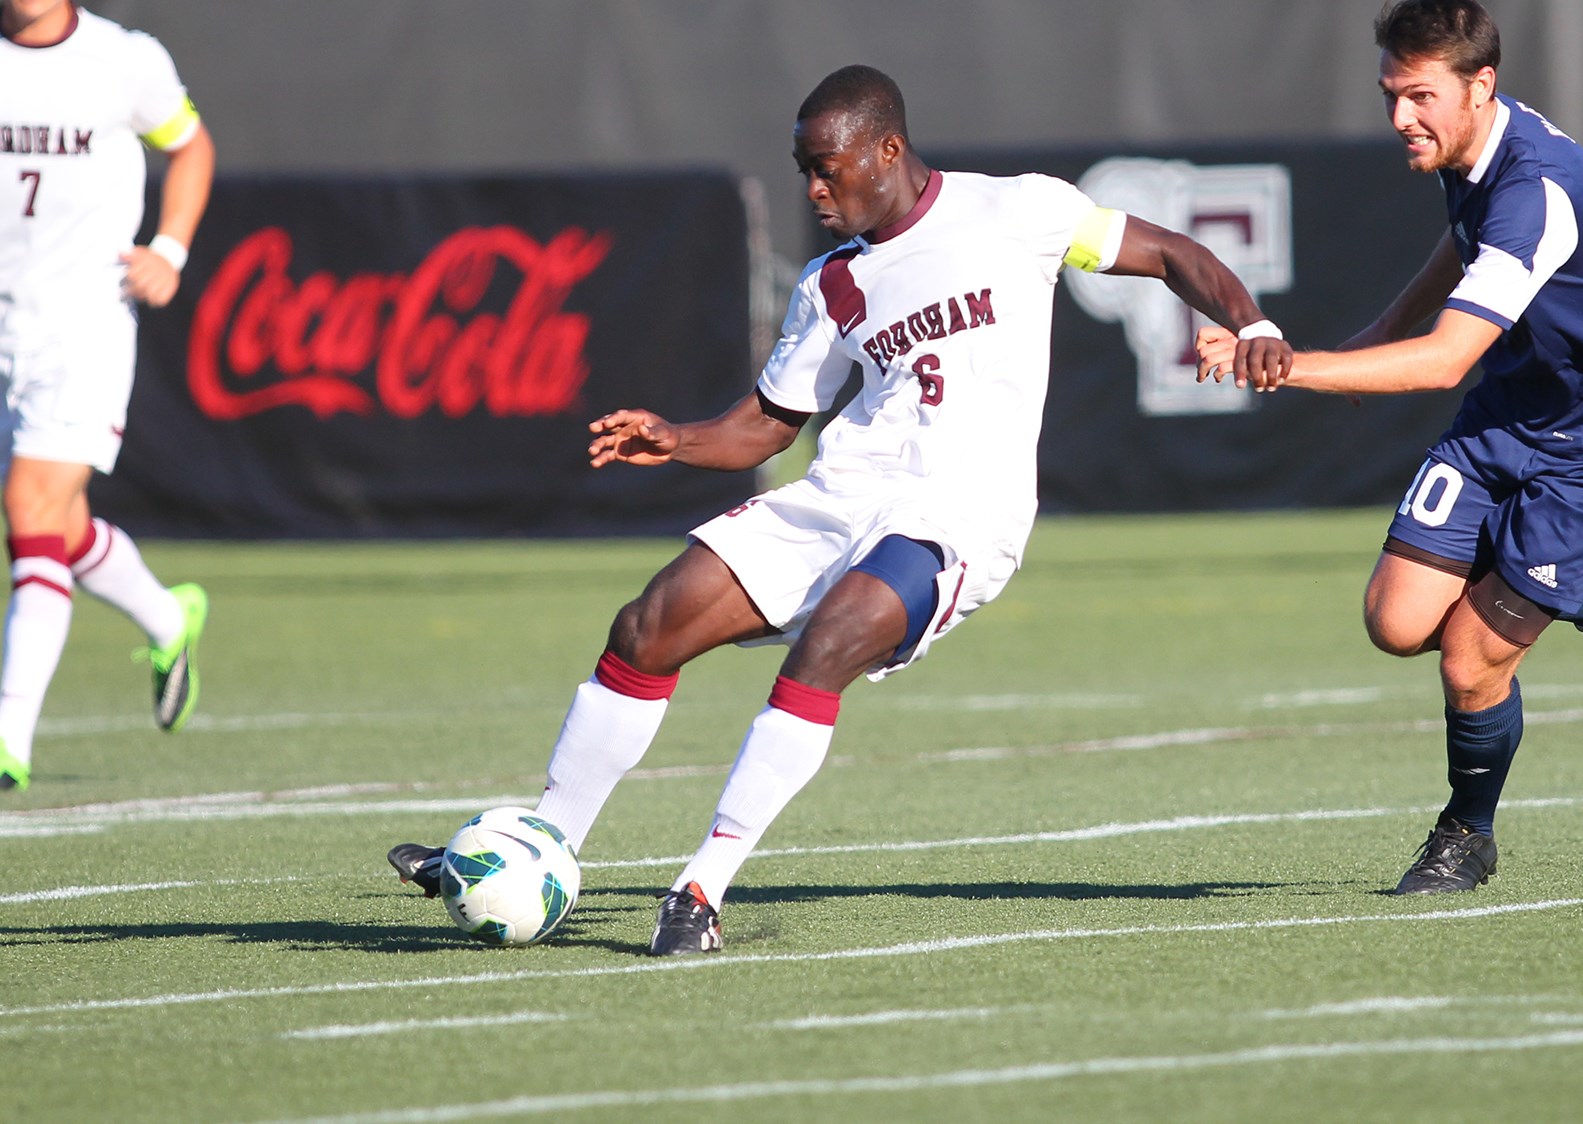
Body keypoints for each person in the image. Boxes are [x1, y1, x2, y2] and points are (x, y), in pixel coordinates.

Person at [389, 64, 1292, 953]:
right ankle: (541, 844)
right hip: (839, 498)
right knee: (645, 627)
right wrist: (676, 437)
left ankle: (702, 886)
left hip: (960, 516)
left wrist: (1252, 325)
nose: (816, 189)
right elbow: (763, 428)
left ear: (889, 149)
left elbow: (1177, 253)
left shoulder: (1018, 210)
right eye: (803, 171)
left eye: (830, 167)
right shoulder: (831, 284)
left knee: (831, 644)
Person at [1197, 0, 1583, 894]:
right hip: (1515, 408)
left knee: (1470, 657)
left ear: (1482, 85)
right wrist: (1381, 324)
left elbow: (1445, 362)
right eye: (1390, 94)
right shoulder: (1472, 145)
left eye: (1419, 96)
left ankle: (1468, 835)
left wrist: (1282, 364)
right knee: (1395, 622)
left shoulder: (1537, 186)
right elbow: (1463, 244)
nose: (1400, 119)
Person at [0, 0, 215, 791]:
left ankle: (8, 734)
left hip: (81, 327)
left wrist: (169, 248)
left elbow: (191, 149)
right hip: (4, 329)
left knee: (29, 508)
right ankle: (168, 617)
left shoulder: (122, 58)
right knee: (56, 520)